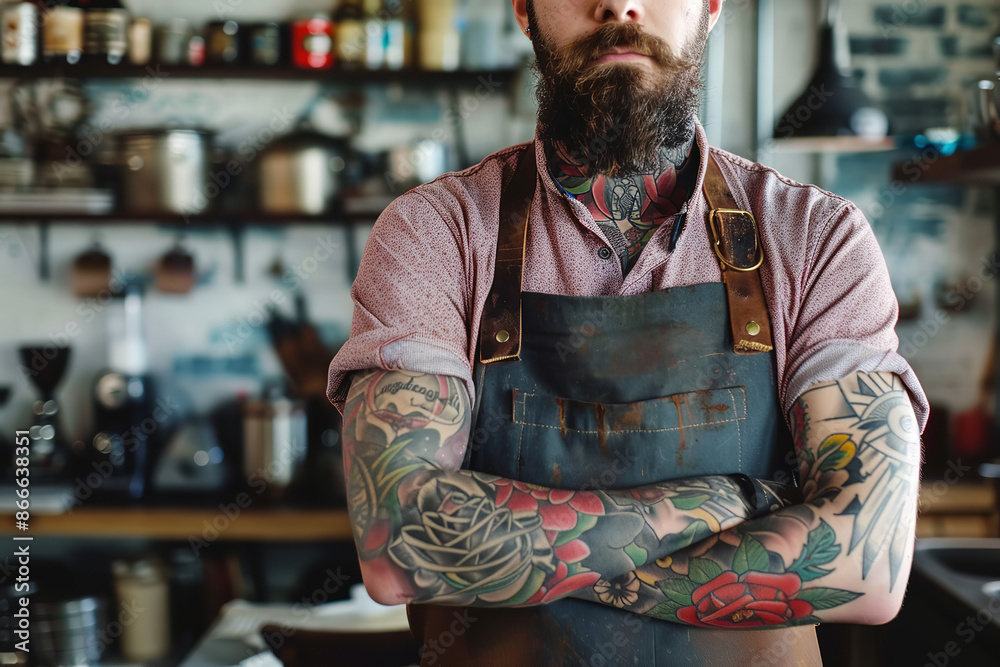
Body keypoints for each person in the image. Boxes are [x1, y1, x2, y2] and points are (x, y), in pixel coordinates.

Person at [326, 0, 929, 664]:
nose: (619, 4)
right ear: (524, 10)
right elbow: (398, 542)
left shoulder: (815, 238)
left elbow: (869, 569)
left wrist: (529, 567)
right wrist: (735, 502)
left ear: (711, 8)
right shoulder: (435, 233)